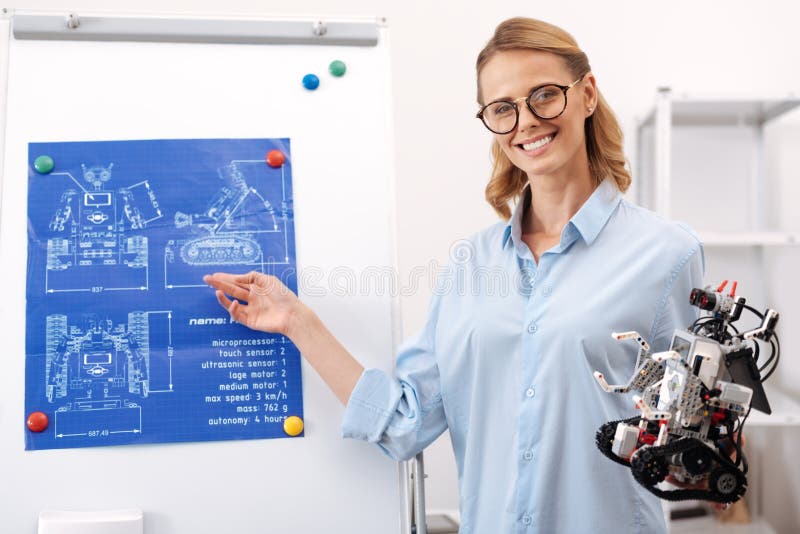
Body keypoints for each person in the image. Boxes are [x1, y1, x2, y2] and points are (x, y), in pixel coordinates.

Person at [204, 17, 704, 534]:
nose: (526, 123)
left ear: (588, 94)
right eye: (502, 109)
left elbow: (691, 429)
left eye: (545, 96)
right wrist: (297, 321)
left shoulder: (666, 254)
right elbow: (404, 424)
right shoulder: (471, 264)